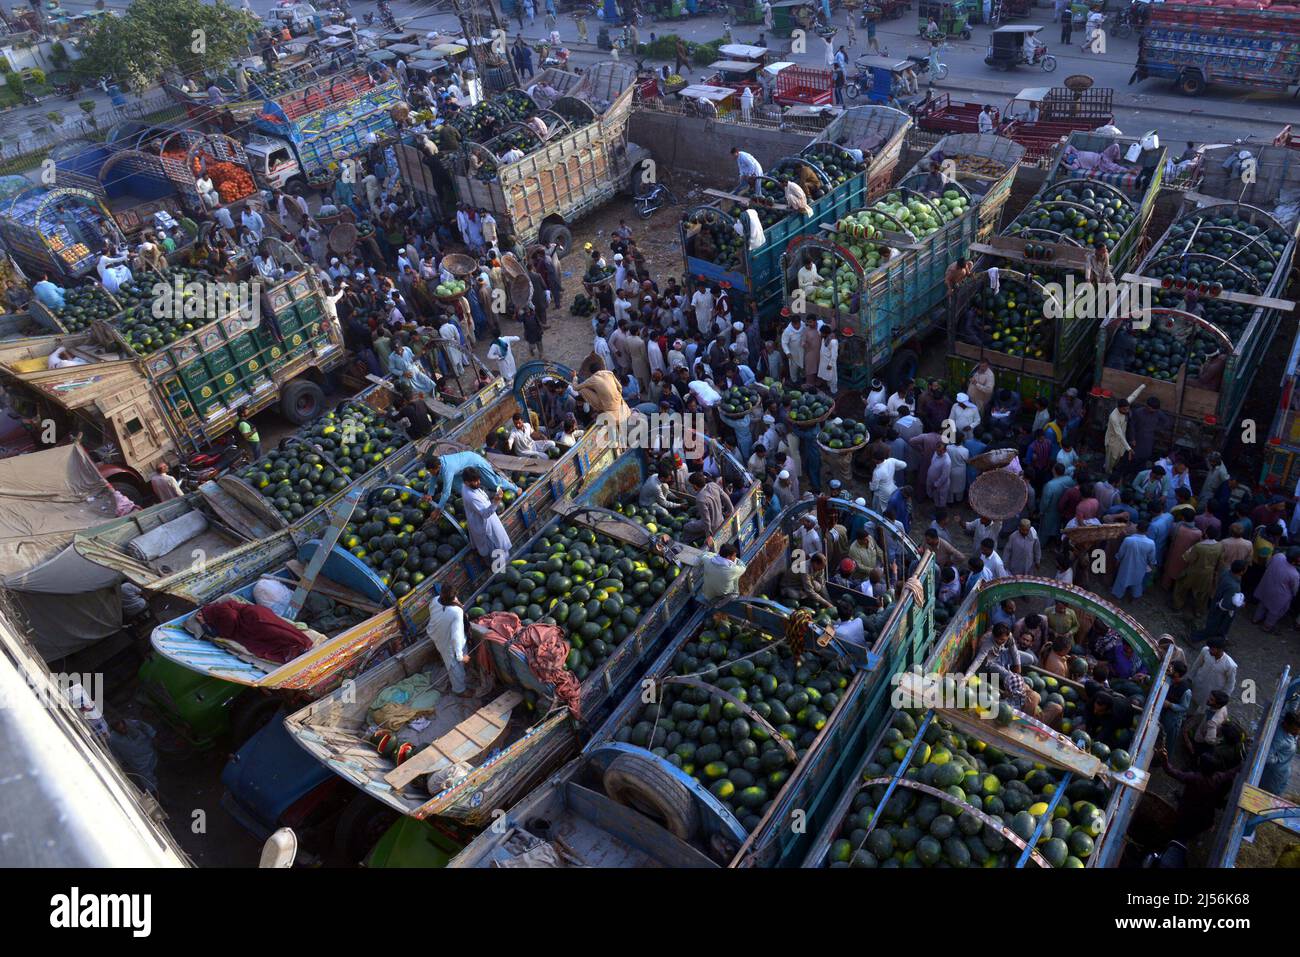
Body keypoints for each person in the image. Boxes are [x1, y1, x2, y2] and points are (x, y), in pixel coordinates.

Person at [424, 450, 520, 517]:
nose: (430, 473)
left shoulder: (447, 469)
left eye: (431, 471)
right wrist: (430, 494)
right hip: (460, 470)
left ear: (437, 467)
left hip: (475, 461)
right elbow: (434, 477)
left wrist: (437, 510)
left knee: (493, 482)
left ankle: (515, 488)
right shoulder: (437, 463)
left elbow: (446, 493)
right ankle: (477, 498)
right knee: (461, 488)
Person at [427, 583, 472, 696]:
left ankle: (448, 659)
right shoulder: (456, 612)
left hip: (435, 635)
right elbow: (456, 637)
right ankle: (460, 690)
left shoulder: (435, 600)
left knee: (449, 659)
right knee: (456, 668)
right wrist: (461, 657)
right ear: (454, 597)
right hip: (448, 644)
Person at [461, 467, 511, 560]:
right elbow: (485, 514)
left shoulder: (467, 487)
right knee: (496, 550)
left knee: (497, 546)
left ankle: (501, 567)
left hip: (488, 521)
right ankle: (501, 569)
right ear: (467, 482)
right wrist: (496, 501)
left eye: (478, 479)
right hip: (484, 526)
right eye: (475, 481)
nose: (478, 482)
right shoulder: (471, 496)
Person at [1252, 546, 1300, 632]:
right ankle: (1266, 626)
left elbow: (1267, 564)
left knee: (1262, 604)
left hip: (1267, 586)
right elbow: (1294, 589)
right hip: (1280, 596)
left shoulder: (1279, 556)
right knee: (1274, 612)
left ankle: (1256, 619)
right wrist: (1294, 595)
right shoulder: (1294, 574)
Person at [107, 717, 159, 795]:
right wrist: (123, 762)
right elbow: (116, 753)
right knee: (149, 781)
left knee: (159, 768)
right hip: (139, 763)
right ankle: (156, 793)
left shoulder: (133, 724)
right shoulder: (113, 740)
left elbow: (146, 727)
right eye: (119, 729)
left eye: (123, 727)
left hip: (150, 752)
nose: (123, 729)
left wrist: (153, 735)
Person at [1186, 637, 1237, 713]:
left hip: (1212, 694)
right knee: (1190, 705)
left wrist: (1222, 699)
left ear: (1220, 649)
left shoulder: (1230, 665)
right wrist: (1190, 678)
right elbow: (1196, 665)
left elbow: (1230, 684)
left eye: (1212, 649)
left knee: (1203, 713)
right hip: (1198, 685)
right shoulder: (1205, 651)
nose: (1210, 650)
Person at [1260, 711, 1300, 796]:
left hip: (1284, 772)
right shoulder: (1280, 739)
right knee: (1268, 796)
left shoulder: (1290, 733)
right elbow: (1267, 757)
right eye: (1294, 728)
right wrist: (1279, 759)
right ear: (1286, 724)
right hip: (1273, 774)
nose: (1297, 731)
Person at [1104, 398, 1133, 473]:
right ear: (1119, 407)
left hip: (1122, 440)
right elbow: (1119, 434)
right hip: (1113, 441)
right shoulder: (1114, 417)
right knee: (1111, 458)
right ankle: (1107, 470)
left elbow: (1133, 395)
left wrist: (1143, 385)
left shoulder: (1125, 405)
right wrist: (1129, 448)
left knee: (1119, 456)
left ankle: (1111, 467)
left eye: (1127, 409)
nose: (1127, 411)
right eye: (1124, 409)